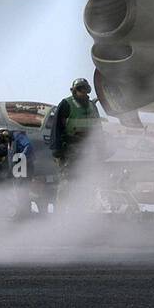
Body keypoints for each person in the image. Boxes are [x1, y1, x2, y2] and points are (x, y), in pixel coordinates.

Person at [50, 78, 103, 210]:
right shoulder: (66, 104)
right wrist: (57, 150)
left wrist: (102, 148)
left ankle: (82, 212)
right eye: (79, 89)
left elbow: (98, 128)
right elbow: (56, 128)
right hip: (70, 149)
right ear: (74, 90)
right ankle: (61, 213)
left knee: (87, 181)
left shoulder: (92, 106)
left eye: (84, 89)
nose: (82, 92)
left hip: (88, 149)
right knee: (67, 181)